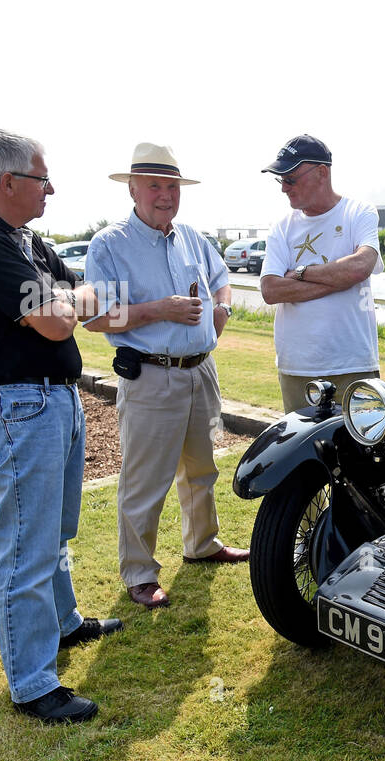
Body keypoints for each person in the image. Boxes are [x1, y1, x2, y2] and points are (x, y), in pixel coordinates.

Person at [0, 128, 122, 724]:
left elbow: (89, 295)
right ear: (7, 182)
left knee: (55, 530)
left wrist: (68, 301)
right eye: (42, 179)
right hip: (20, 408)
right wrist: (67, 303)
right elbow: (60, 320)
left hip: (52, 401)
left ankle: (63, 625)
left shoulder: (22, 239)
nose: (51, 189)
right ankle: (34, 682)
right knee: (27, 546)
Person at [85, 143, 248, 610]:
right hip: (151, 377)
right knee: (145, 481)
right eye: (154, 185)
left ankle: (202, 544)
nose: (165, 195)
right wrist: (161, 310)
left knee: (202, 469)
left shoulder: (193, 237)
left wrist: (222, 310)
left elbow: (222, 279)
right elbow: (97, 320)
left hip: (201, 372)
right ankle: (139, 573)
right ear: (132, 189)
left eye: (172, 186)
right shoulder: (110, 245)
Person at [258, 134, 384, 412]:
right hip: (297, 369)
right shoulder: (281, 227)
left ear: (321, 173)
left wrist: (299, 272)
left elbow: (361, 266)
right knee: (302, 454)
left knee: (360, 454)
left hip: (353, 365)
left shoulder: (359, 212)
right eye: (281, 180)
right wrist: (340, 279)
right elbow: (271, 290)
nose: (284, 188)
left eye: (290, 179)